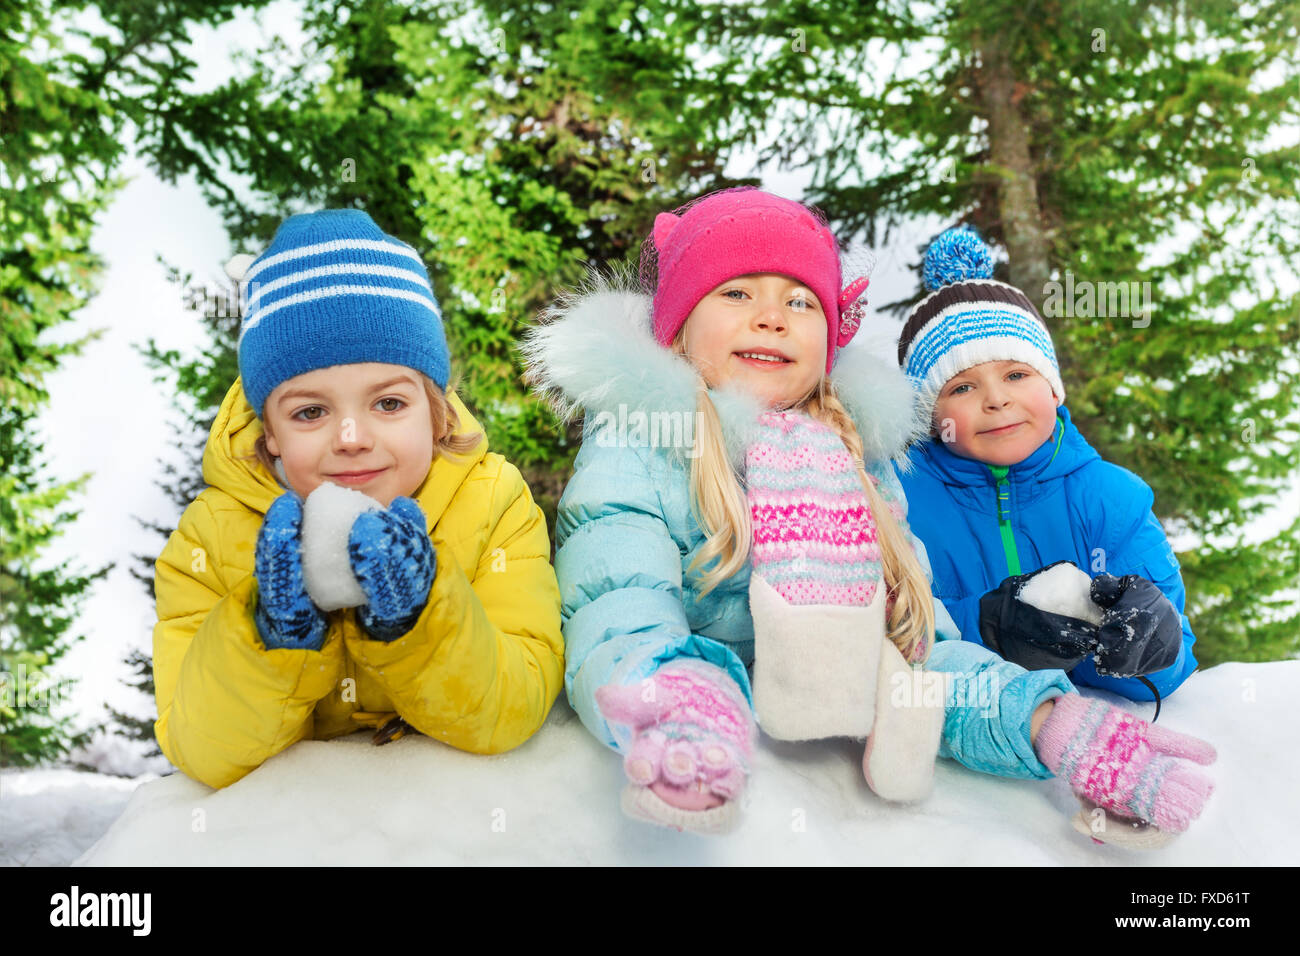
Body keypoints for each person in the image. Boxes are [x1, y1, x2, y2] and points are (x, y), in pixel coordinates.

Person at [524, 188, 1214, 843]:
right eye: (736, 293)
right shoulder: (641, 443)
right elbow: (616, 599)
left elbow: (922, 650)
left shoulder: (856, 461)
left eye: (800, 302)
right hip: (700, 716)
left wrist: (1046, 721)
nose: (772, 317)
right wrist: (675, 693)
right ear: (674, 328)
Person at [153, 209, 564, 789]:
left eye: (388, 404)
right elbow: (201, 750)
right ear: (268, 430)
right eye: (310, 412)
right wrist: (272, 631)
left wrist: (417, 617)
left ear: (435, 407)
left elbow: (514, 708)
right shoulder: (211, 538)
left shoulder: (494, 504)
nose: (352, 439)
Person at [894, 226, 1198, 708]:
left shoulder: (1112, 500)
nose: (997, 400)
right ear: (930, 416)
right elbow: (887, 639)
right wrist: (989, 627)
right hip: (954, 754)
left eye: (1016, 374)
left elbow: (1166, 675)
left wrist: (1151, 645)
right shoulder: (899, 501)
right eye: (962, 388)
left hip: (1075, 745)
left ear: (1054, 390)